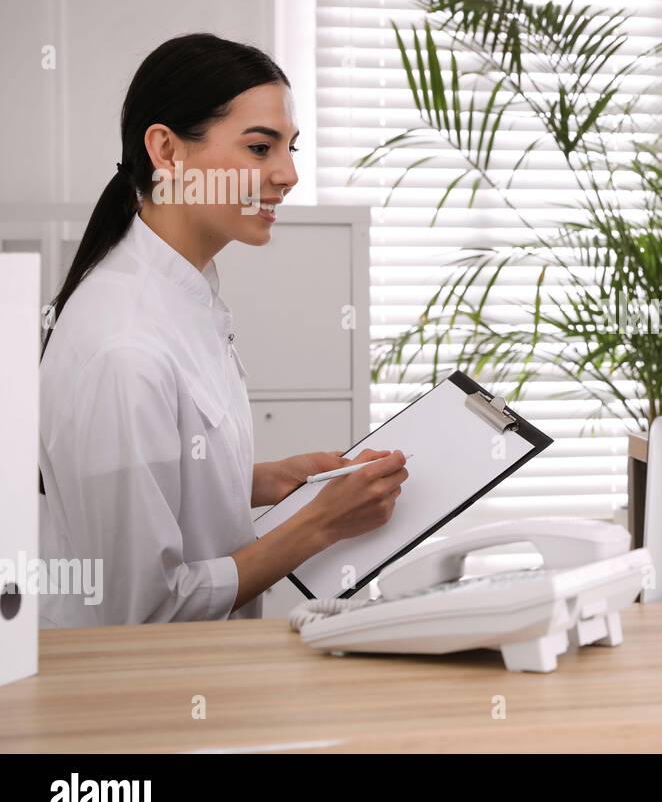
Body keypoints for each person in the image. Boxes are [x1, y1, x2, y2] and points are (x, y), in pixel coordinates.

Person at [39, 33, 408, 625]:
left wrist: (264, 481)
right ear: (166, 150)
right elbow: (147, 609)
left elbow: (156, 485)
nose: (287, 175)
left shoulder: (183, 298)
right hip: (143, 698)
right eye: (260, 148)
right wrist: (319, 524)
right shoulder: (123, 347)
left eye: (291, 148)